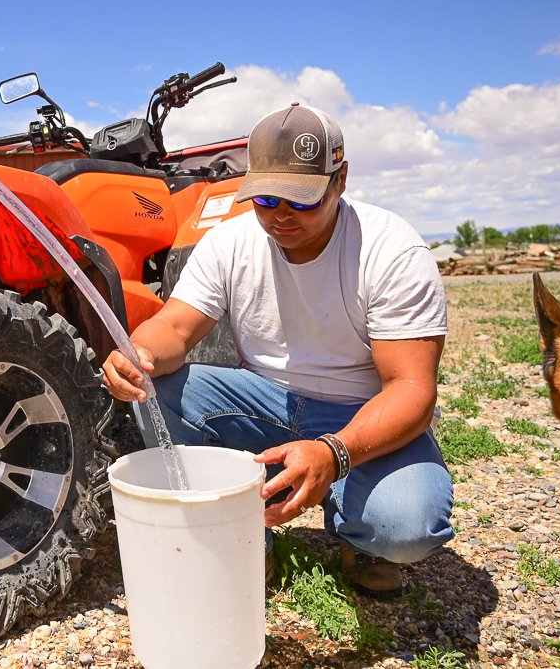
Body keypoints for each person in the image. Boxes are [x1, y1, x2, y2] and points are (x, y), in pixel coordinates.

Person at [102, 102, 454, 596]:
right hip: (265, 401)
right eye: (267, 199)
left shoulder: (391, 251)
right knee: (155, 388)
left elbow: (412, 391)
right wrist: (138, 353)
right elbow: (175, 328)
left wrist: (335, 451)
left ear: (342, 178)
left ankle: (361, 531)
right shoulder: (230, 243)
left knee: (404, 526)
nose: (282, 215)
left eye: (302, 200)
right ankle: (245, 534)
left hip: (362, 414)